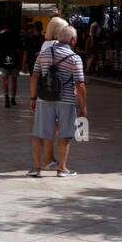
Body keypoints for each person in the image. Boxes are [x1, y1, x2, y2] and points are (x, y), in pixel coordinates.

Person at [29, 22, 87, 177]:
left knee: (39, 134)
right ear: (73, 40)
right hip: (66, 100)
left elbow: (34, 76)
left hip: (44, 99)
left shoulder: (44, 53)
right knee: (65, 134)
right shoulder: (75, 58)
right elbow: (80, 84)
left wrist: (33, 97)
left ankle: (35, 168)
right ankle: (62, 168)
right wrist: (84, 106)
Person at [0, 20, 22, 107]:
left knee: (5, 80)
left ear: (4, 26)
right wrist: (21, 62)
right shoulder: (16, 36)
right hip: (14, 60)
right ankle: (13, 99)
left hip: (3, 59)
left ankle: (6, 98)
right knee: (14, 80)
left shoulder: (0, 36)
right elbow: (19, 50)